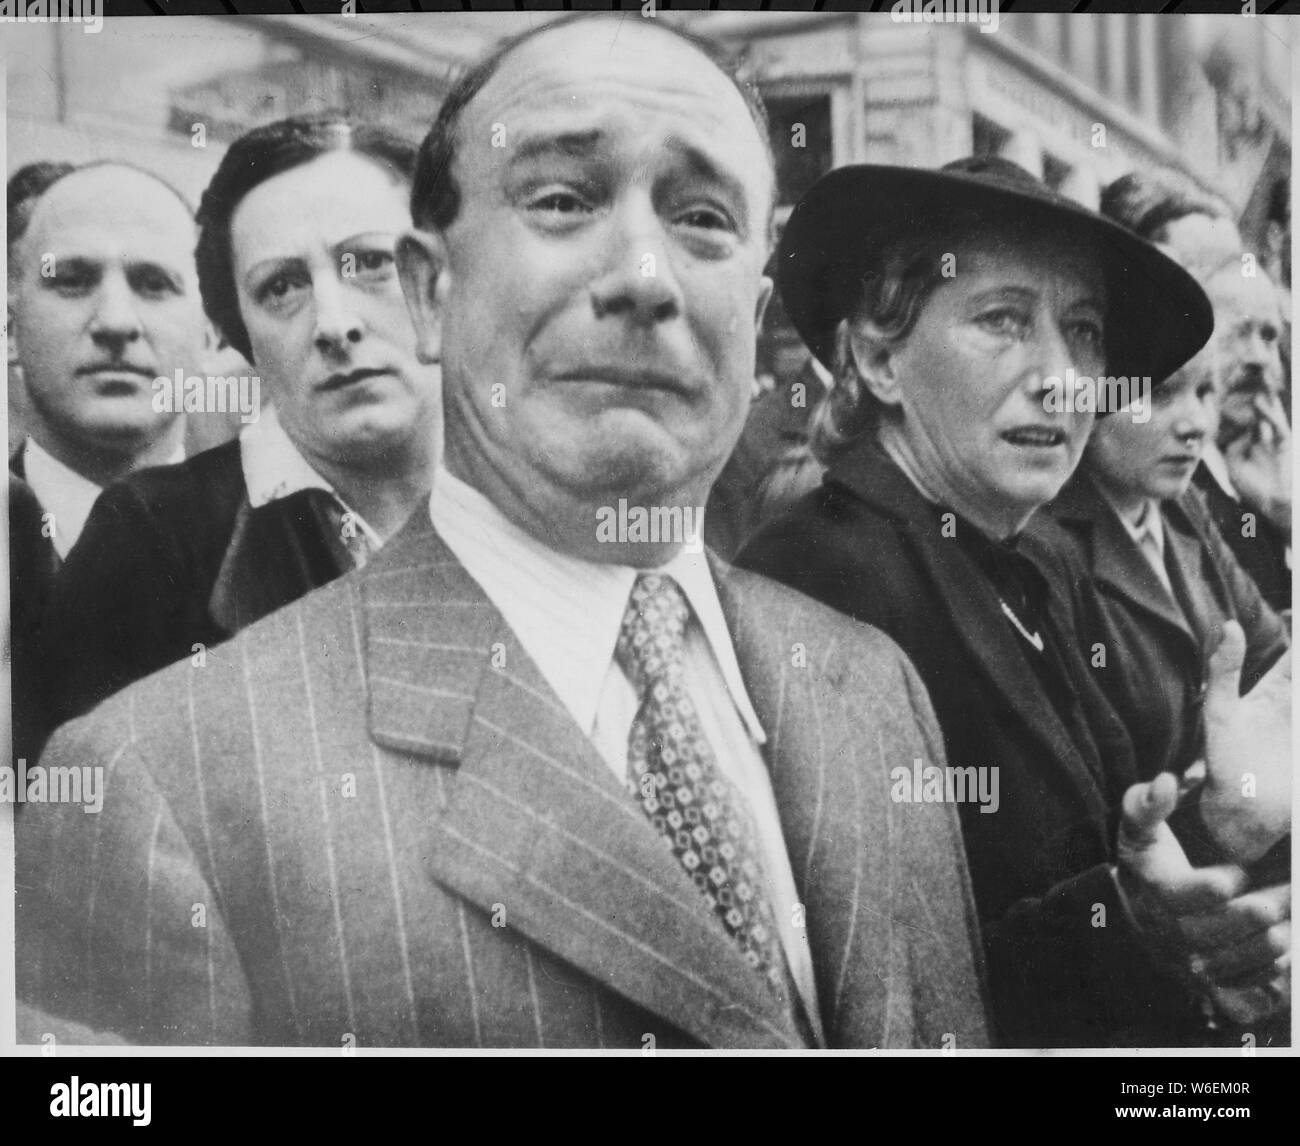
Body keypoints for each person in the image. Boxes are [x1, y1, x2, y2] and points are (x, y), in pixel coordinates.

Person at [16, 15, 988, 1050]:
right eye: (562, 199)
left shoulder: (874, 691)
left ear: (749, 317)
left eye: (702, 217)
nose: (646, 277)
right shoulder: (164, 785)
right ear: (432, 291)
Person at [739, 156, 1290, 1047]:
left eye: (1083, 331)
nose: (1065, 378)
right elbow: (867, 992)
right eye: (1003, 321)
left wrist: (1218, 822)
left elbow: (1114, 858)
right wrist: (1134, 932)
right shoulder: (813, 580)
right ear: (879, 356)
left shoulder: (1030, 559)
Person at [38, 114, 441, 729]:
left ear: (441, 278)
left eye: (368, 263)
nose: (334, 323)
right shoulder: (152, 538)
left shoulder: (540, 499)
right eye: (280, 287)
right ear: (239, 334)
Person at [1032, 350, 1288, 785]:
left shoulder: (1179, 507)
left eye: (1205, 391)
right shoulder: (1044, 546)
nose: (1198, 426)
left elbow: (1271, 658)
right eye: (1157, 393)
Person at [6, 161, 209, 558]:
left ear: (212, 335)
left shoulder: (288, 557)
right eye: (71, 281)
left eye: (154, 284)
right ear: (9, 330)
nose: (115, 321)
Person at [1192, 257, 1291, 616]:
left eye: (1269, 337)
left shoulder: (1267, 479)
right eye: (1239, 332)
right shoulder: (1175, 484)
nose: (1259, 358)